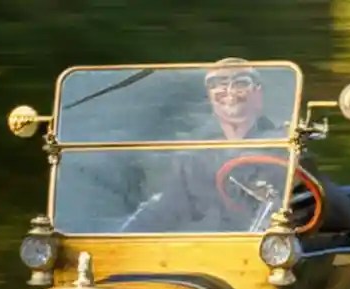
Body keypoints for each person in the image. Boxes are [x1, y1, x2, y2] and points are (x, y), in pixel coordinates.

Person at [120, 59, 291, 232]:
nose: (229, 91)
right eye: (218, 84)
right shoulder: (195, 157)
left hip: (262, 251)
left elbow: (306, 207)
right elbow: (165, 208)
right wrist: (122, 240)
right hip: (202, 250)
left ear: (257, 94)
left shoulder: (286, 148)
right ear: (210, 97)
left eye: (241, 83)